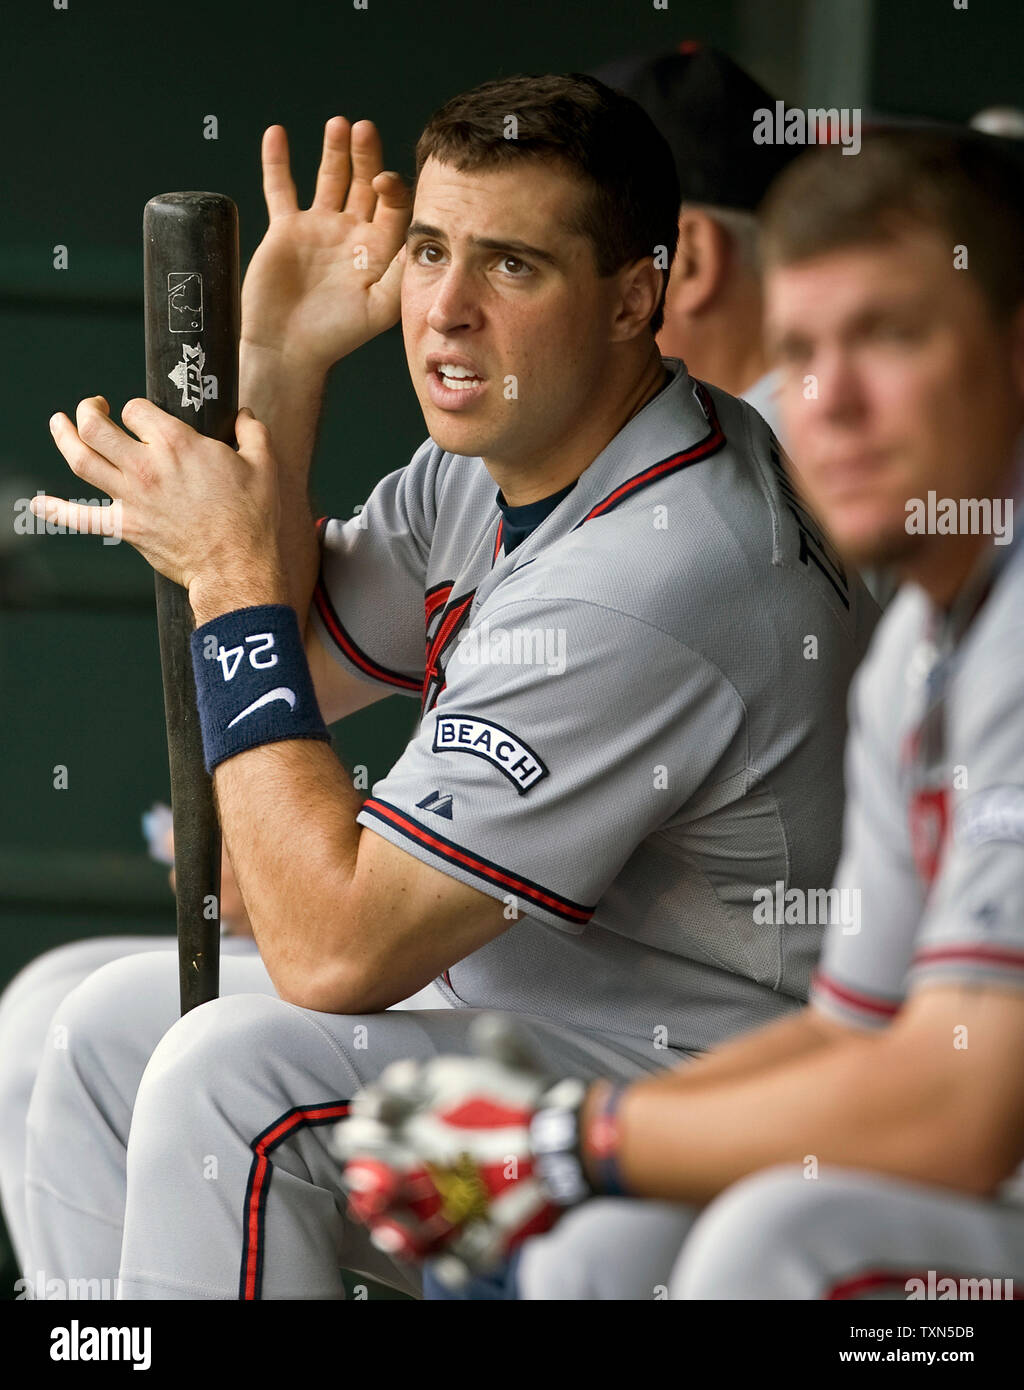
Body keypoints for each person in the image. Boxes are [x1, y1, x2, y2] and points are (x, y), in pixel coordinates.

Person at [23, 73, 875, 1300]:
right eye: (428, 250)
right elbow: (277, 659)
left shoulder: (654, 581)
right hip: (552, 1008)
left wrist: (225, 572)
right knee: (98, 1028)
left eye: (512, 266)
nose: (446, 311)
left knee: (236, 1071)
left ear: (637, 294)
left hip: (718, 1076)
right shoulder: (505, 461)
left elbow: (330, 950)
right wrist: (278, 360)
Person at [333, 127, 1024, 1301]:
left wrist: (571, 1143)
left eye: (891, 338)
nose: (830, 400)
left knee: (776, 1247)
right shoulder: (918, 630)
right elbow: (859, 1034)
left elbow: (961, 1108)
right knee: (604, 1246)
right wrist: (576, 1136)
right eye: (799, 351)